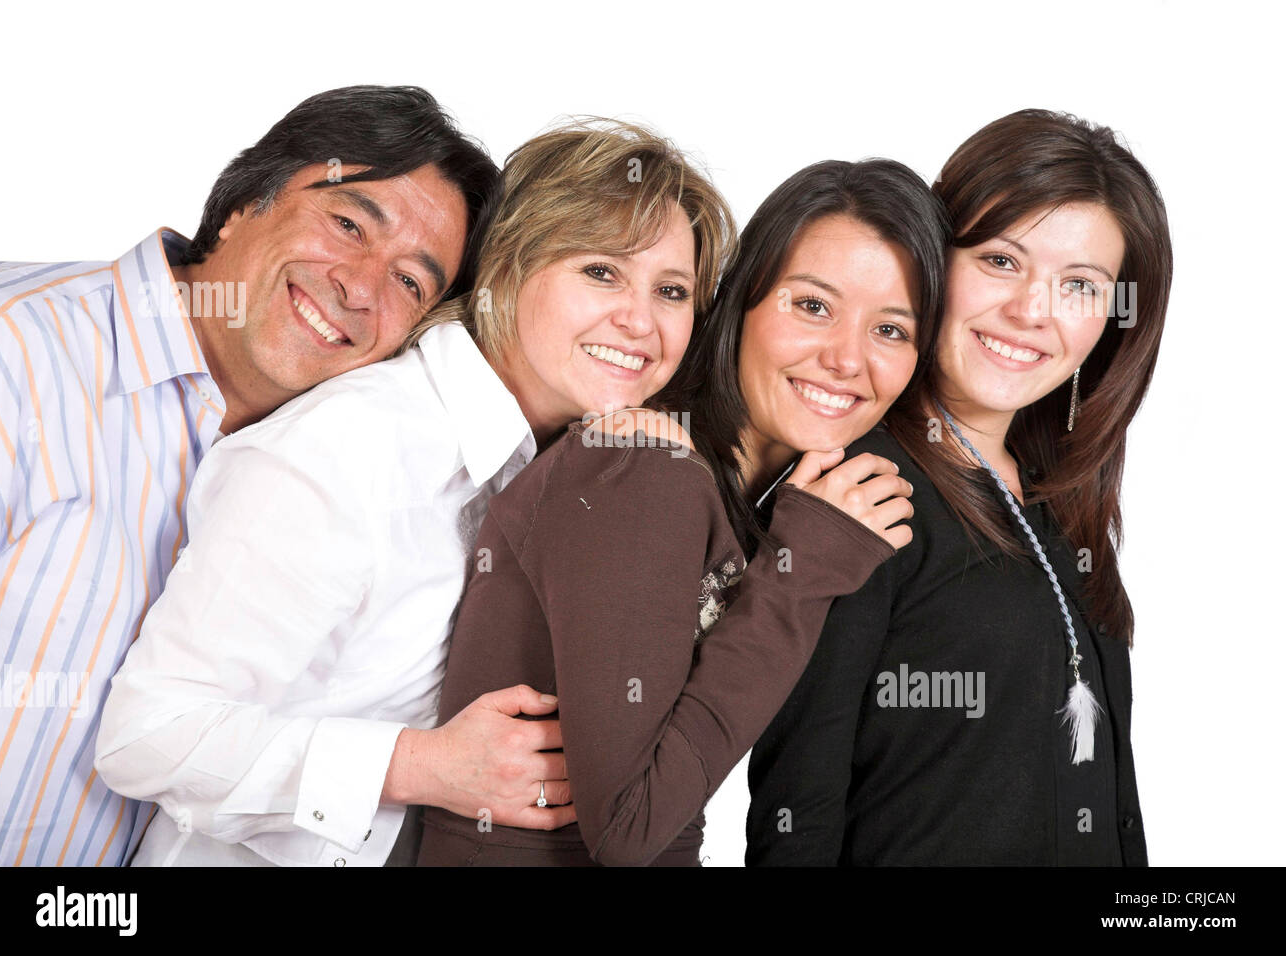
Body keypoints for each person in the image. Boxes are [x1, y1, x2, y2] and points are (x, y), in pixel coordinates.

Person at [94, 120, 735, 866]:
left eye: (672, 292)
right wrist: (419, 766)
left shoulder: (565, 459)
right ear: (509, 266)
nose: (640, 320)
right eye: (600, 272)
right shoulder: (353, 446)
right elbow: (146, 735)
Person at [0, 85, 503, 866]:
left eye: (410, 282)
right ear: (240, 202)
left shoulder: (334, 468)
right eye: (348, 224)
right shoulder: (14, 354)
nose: (360, 287)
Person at [412, 157, 951, 865]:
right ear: (738, 302)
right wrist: (802, 574)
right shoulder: (645, 471)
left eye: (891, 331)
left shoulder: (731, 493)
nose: (847, 359)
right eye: (812, 306)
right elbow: (632, 829)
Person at [746, 109, 1173, 866]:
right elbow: (796, 813)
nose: (1031, 311)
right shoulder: (861, 494)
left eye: (1080, 285)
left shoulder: (1055, 497)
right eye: (1001, 262)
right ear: (935, 261)